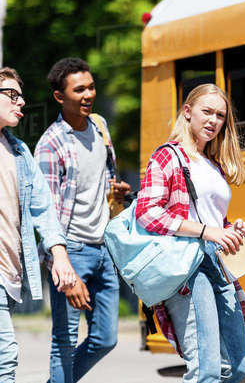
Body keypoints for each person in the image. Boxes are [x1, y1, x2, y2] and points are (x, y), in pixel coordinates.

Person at [136, 83, 245, 383]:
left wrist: (231, 229)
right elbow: (147, 212)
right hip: (187, 268)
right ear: (187, 112)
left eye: (220, 116)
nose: (213, 121)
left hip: (219, 266)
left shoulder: (214, 164)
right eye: (207, 112)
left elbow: (213, 219)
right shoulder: (168, 156)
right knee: (206, 369)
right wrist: (207, 232)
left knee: (238, 366)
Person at [34, 57, 131, 383]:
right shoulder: (51, 144)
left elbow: (99, 179)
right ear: (60, 97)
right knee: (65, 338)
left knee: (106, 338)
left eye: (91, 87)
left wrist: (115, 190)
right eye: (79, 90)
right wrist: (61, 266)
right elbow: (44, 212)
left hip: (104, 248)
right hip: (71, 250)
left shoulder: (100, 125)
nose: (88, 94)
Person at [0, 66, 81, 382]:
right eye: (12, 95)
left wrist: (59, 255)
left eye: (22, 97)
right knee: (5, 358)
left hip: (10, 274)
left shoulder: (19, 152)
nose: (21, 103)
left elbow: (44, 208)